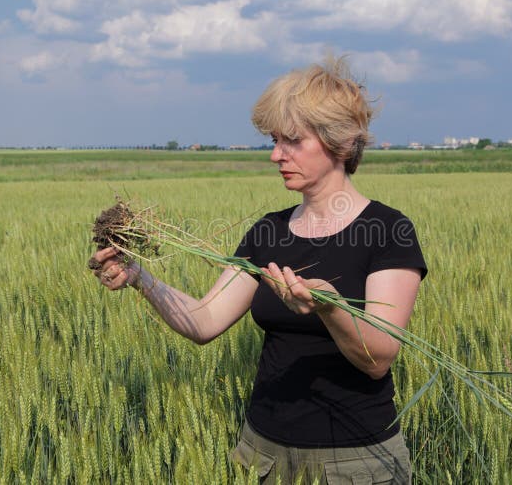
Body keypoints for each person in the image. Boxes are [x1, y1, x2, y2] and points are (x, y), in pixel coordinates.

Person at [91, 57, 427, 483]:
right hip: (262, 455)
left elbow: (378, 358)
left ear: (339, 142)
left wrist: (329, 307)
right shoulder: (269, 230)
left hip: (355, 462)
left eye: (292, 141)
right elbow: (204, 321)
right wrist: (141, 277)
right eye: (274, 140)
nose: (275, 155)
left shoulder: (387, 231)